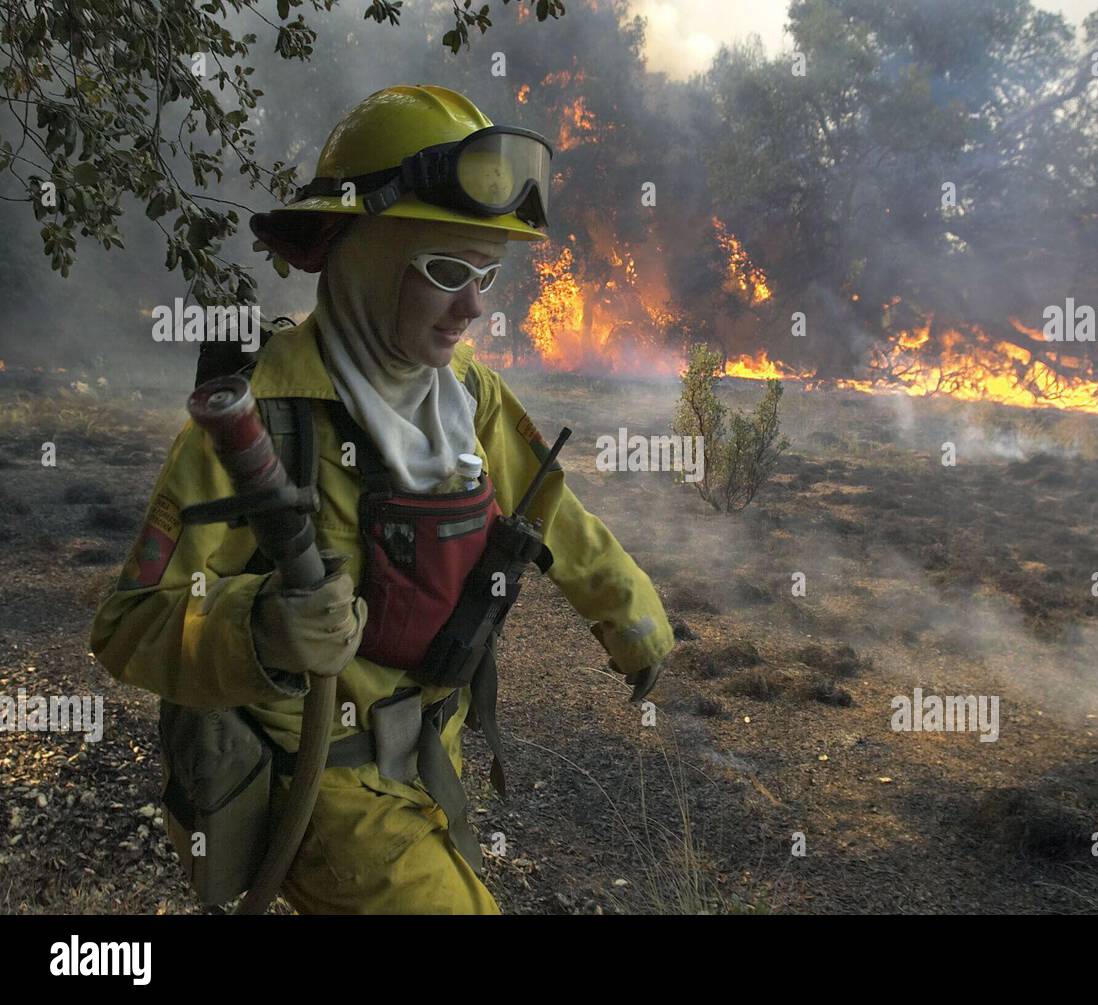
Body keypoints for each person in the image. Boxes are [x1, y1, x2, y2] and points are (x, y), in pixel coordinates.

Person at [90, 84, 675, 914]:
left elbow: (548, 503)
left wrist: (630, 614)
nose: (474, 307)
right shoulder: (262, 418)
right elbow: (130, 623)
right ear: (359, 256)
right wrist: (257, 626)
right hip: (324, 793)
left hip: (435, 765)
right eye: (444, 270)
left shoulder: (464, 392)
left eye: (488, 273)